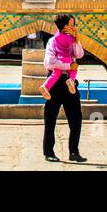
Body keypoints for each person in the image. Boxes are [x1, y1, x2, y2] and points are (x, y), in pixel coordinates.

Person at [41, 15, 87, 164]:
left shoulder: (72, 41)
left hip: (70, 83)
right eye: (71, 25)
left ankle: (74, 151)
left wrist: (77, 39)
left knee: (76, 119)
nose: (73, 27)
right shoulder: (53, 41)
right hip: (55, 83)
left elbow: (79, 55)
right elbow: (50, 62)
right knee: (50, 119)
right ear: (63, 26)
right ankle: (49, 152)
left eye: (74, 25)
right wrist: (68, 66)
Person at [40, 26, 80, 99]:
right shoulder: (70, 38)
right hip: (68, 60)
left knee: (55, 74)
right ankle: (71, 80)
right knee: (74, 70)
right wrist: (75, 36)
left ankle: (45, 86)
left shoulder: (56, 38)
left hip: (59, 60)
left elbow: (49, 61)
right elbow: (79, 54)